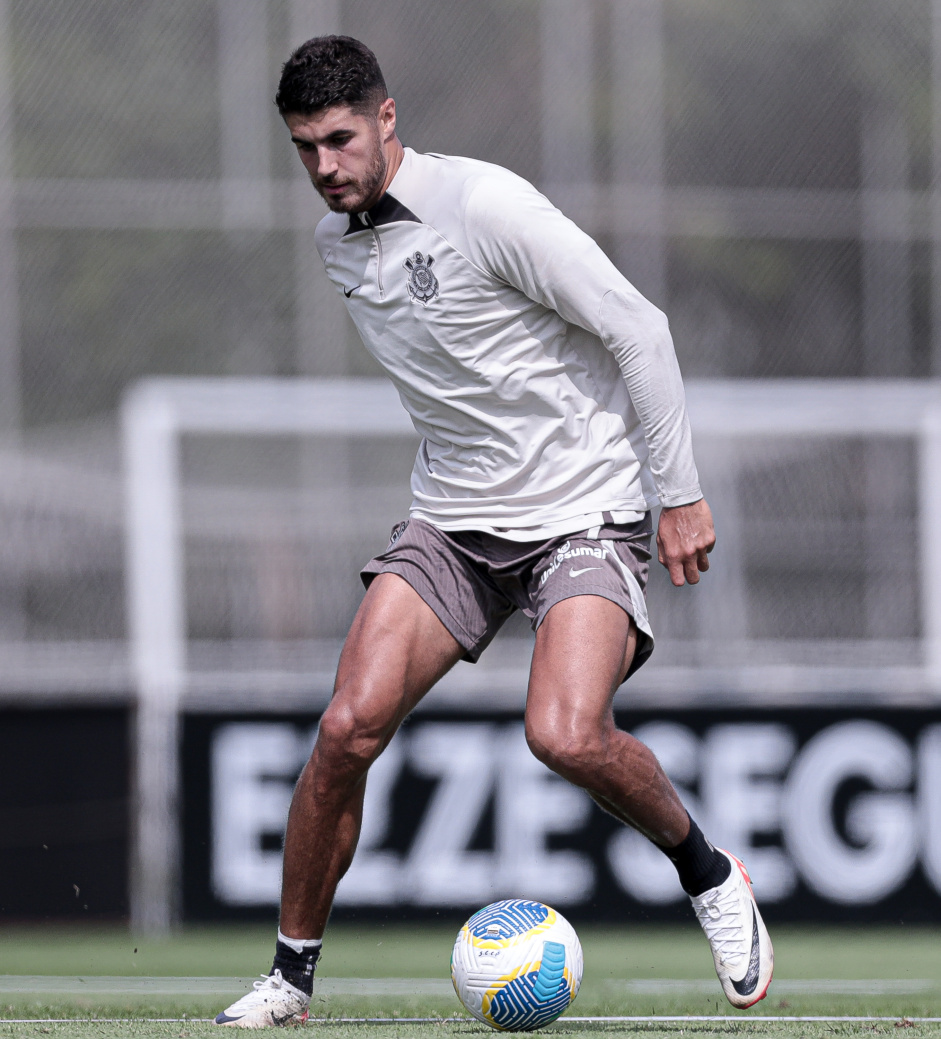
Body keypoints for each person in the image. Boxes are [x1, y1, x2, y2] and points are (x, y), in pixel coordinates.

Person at [214, 35, 773, 1029]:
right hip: (453, 522)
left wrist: (675, 490)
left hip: (579, 511)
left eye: (339, 139)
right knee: (344, 728)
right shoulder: (333, 243)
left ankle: (705, 869)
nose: (325, 167)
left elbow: (636, 328)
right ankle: (288, 980)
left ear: (387, 118)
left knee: (560, 733)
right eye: (304, 149)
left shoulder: (485, 206)